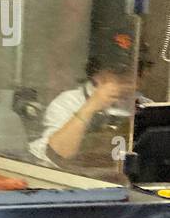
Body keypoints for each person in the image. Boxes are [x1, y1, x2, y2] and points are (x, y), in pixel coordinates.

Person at [29, 32, 143, 168]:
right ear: (96, 73)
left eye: (137, 71)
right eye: (120, 72)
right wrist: (91, 106)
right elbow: (57, 155)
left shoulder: (143, 104)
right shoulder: (68, 102)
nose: (130, 79)